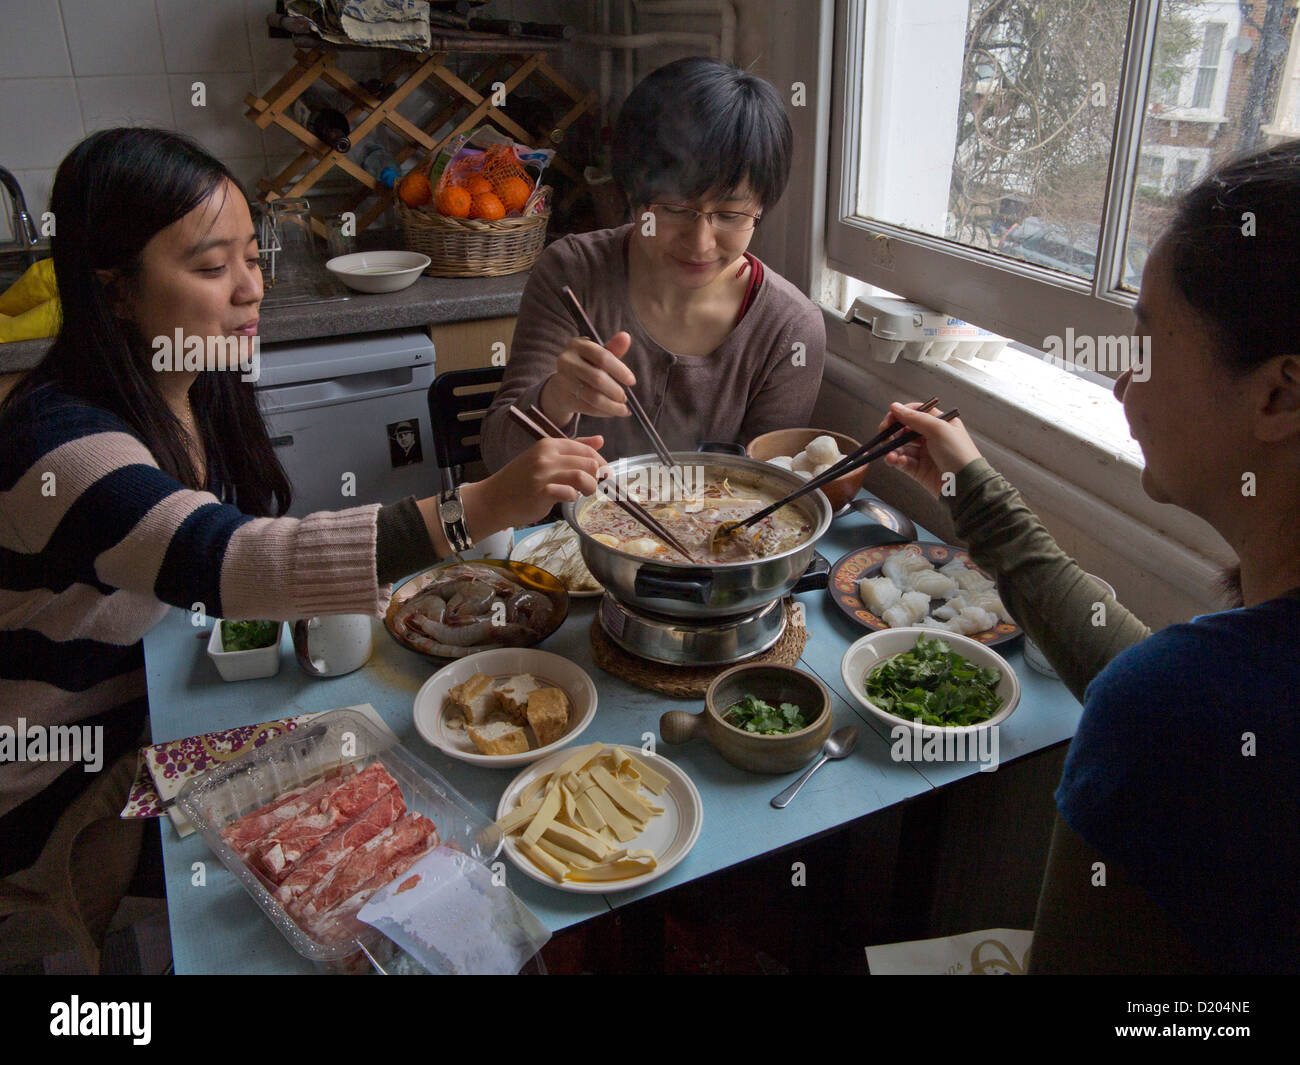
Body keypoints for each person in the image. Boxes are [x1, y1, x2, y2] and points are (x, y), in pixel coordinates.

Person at [0, 129, 604, 895]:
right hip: (54, 780)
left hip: (155, 710)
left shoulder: (195, 380)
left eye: (251, 258)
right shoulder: (59, 443)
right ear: (114, 287)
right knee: (324, 869)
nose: (250, 287)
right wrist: (479, 503)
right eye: (212, 266)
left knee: (390, 788)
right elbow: (226, 560)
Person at [879, 141, 1300, 973]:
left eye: (1147, 344)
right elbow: (1144, 682)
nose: (1122, 385)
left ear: (1279, 393)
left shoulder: (1178, 715)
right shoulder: (1206, 695)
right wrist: (975, 491)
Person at [480, 56, 826, 470]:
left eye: (731, 216)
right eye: (675, 209)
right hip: (566, 531)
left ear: (761, 209)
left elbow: (768, 494)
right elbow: (499, 460)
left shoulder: (788, 329)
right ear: (632, 194)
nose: (700, 243)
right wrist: (555, 398)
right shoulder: (573, 273)